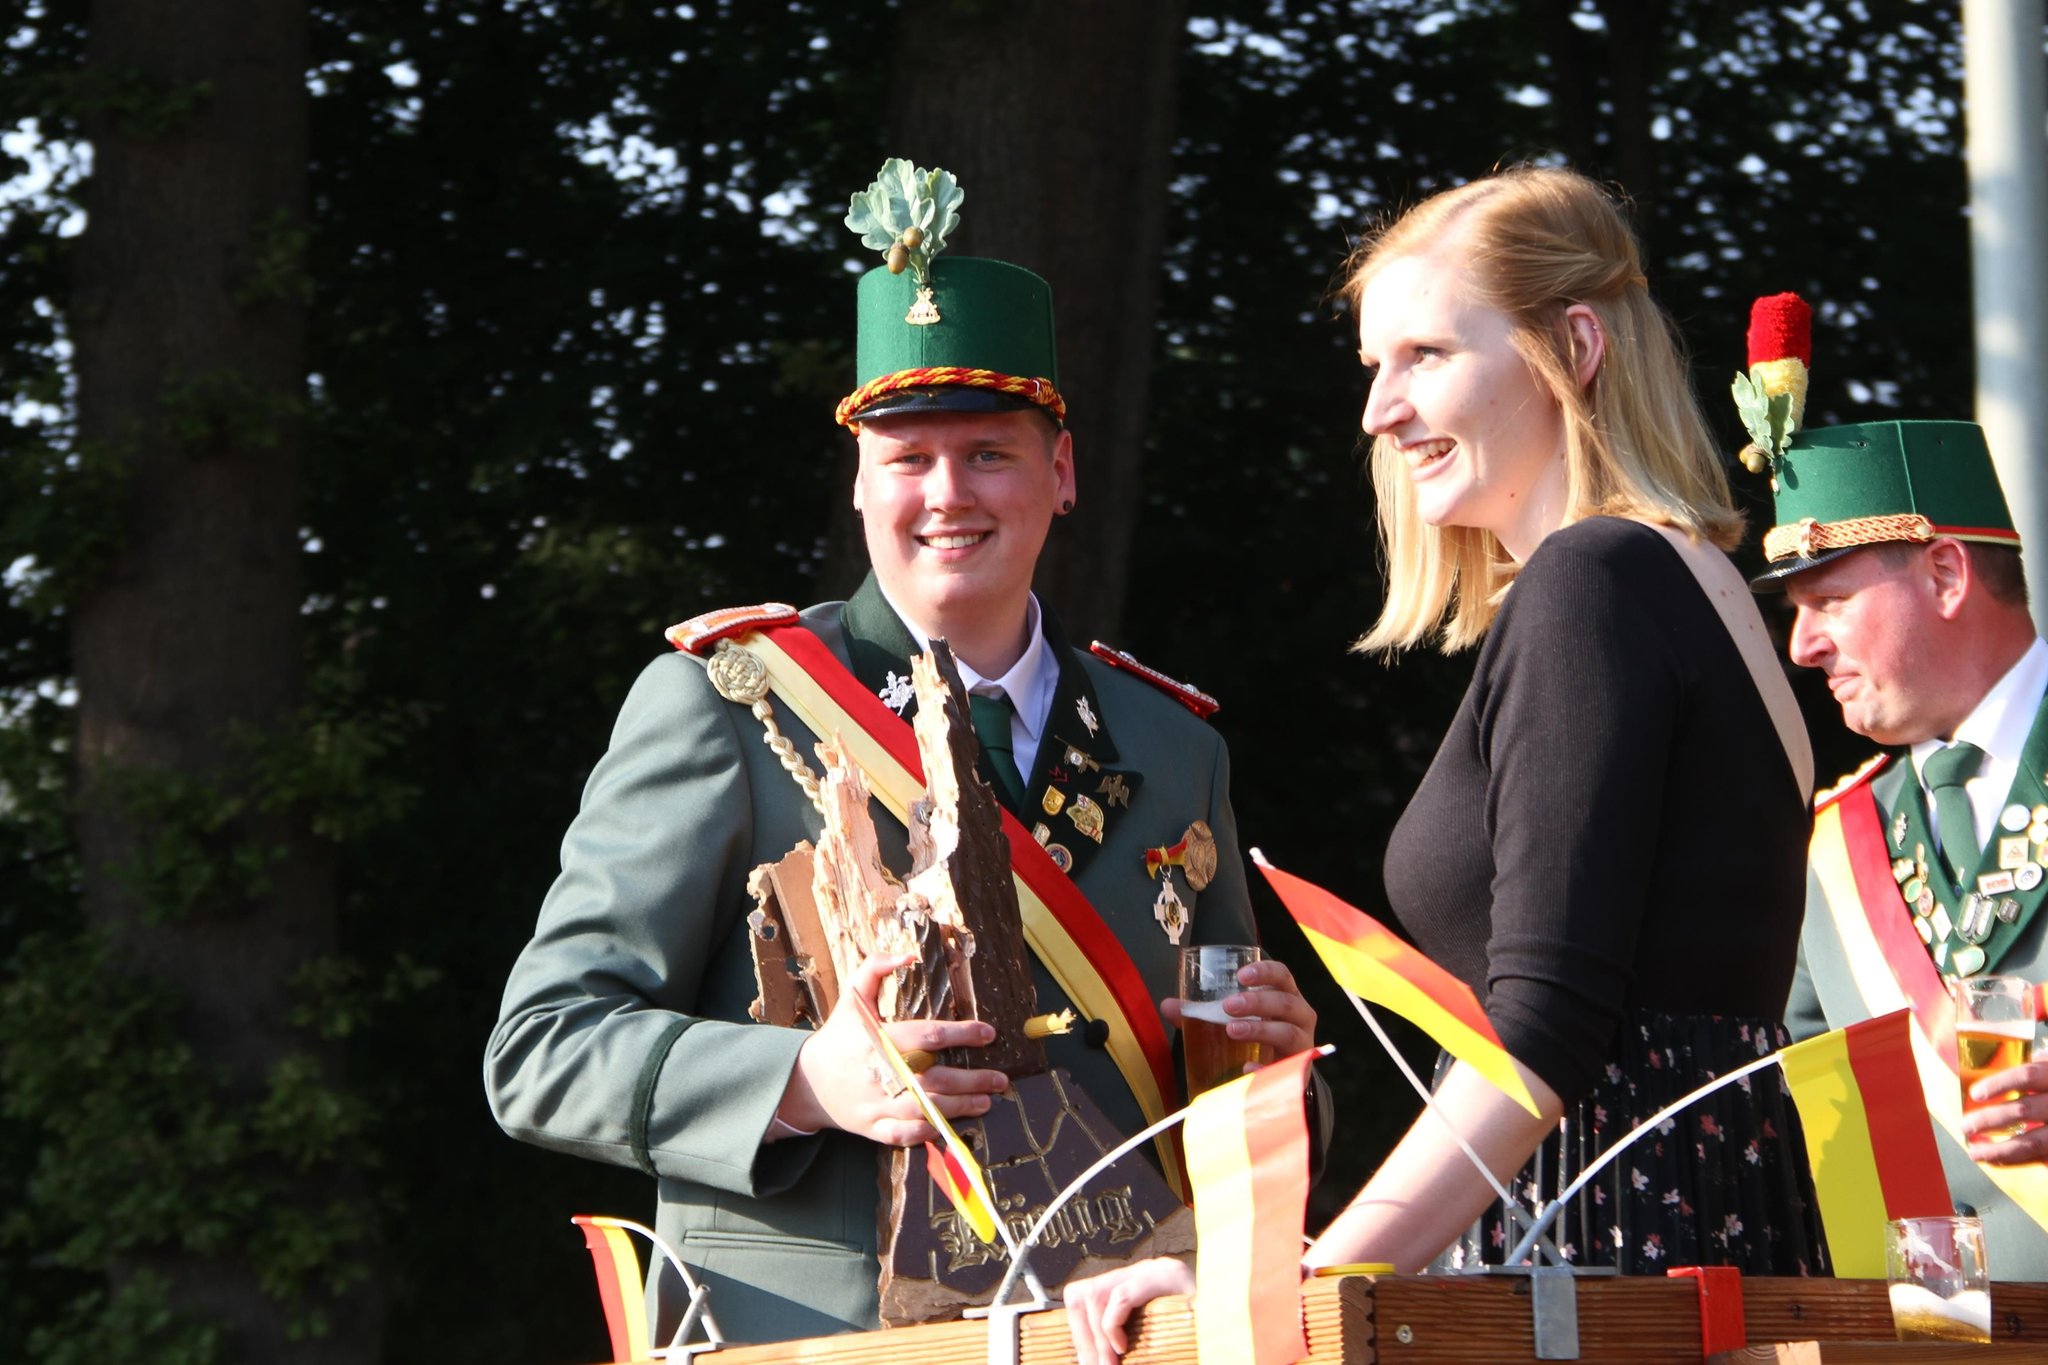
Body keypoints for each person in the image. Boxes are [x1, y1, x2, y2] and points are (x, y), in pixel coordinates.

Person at [483, 161, 1322, 1346]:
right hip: (818, 1334)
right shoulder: (728, 706)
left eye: (988, 452)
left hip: (1119, 1334)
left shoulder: (1168, 744)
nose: (946, 495)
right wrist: (810, 1084)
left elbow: (1222, 1096)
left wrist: (1282, 1079)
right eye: (907, 459)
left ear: (1060, 473)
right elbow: (544, 1049)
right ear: (860, 482)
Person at [1065, 166, 1828, 1363]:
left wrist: (1295, 1290)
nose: (1378, 409)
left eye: (1423, 354)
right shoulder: (1688, 580)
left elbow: (1541, 1031)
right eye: (1374, 366)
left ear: (1570, 346)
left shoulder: (1593, 583)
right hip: (1669, 1222)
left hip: (1605, 1244)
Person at [1763, 391, 2048, 1278]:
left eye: (1831, 600)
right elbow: (1844, 1152)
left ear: (1948, 575)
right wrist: (1935, 1330)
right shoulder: (1832, 850)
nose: (1802, 645)